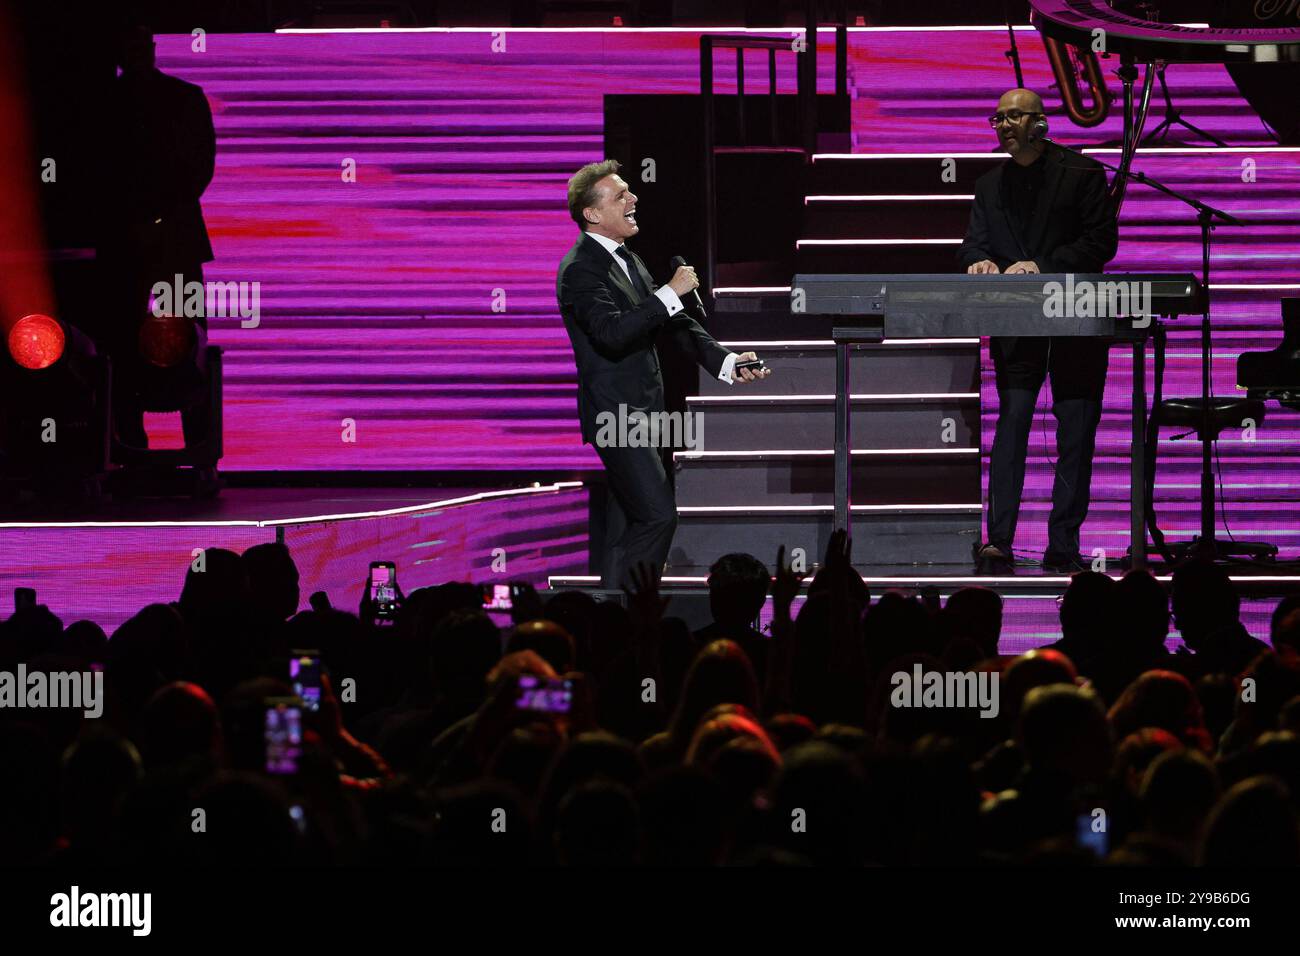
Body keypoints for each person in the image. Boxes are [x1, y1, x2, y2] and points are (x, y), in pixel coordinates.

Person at [556, 159, 771, 588]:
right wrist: (669, 293)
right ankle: (638, 619)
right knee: (658, 516)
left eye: (630, 191)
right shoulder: (581, 269)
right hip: (614, 418)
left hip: (646, 415)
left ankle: (613, 621)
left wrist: (724, 361)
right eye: (620, 195)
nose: (633, 198)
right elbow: (612, 333)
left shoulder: (628, 260)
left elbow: (672, 323)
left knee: (627, 529)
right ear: (592, 214)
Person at [958, 89, 1119, 573]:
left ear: (1041, 123)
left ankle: (1063, 543)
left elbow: (1100, 243)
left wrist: (1043, 267)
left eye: (1013, 116)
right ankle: (999, 541)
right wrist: (979, 261)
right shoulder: (990, 185)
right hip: (1016, 322)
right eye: (997, 117)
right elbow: (970, 245)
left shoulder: (1082, 172)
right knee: (1013, 424)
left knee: (1076, 428)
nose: (1004, 125)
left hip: (1077, 316)